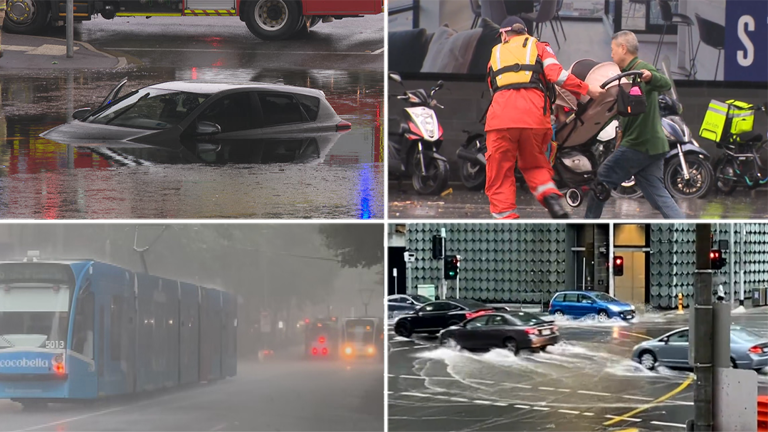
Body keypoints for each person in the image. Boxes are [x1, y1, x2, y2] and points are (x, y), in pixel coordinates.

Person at [484, 16, 605, 219]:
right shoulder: (539, 47)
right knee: (536, 166)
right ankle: (551, 199)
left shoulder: (495, 53)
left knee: (500, 172)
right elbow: (557, 75)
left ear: (504, 34)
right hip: (534, 118)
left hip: (501, 120)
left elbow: (492, 87)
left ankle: (506, 220)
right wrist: (587, 89)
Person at [584, 31, 684, 219]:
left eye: (613, 49)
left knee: (602, 178)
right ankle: (686, 229)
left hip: (639, 143)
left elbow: (665, 84)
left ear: (623, 48)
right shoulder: (622, 75)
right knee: (657, 195)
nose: (611, 54)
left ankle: (587, 228)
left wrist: (650, 77)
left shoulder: (642, 69)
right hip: (652, 145)